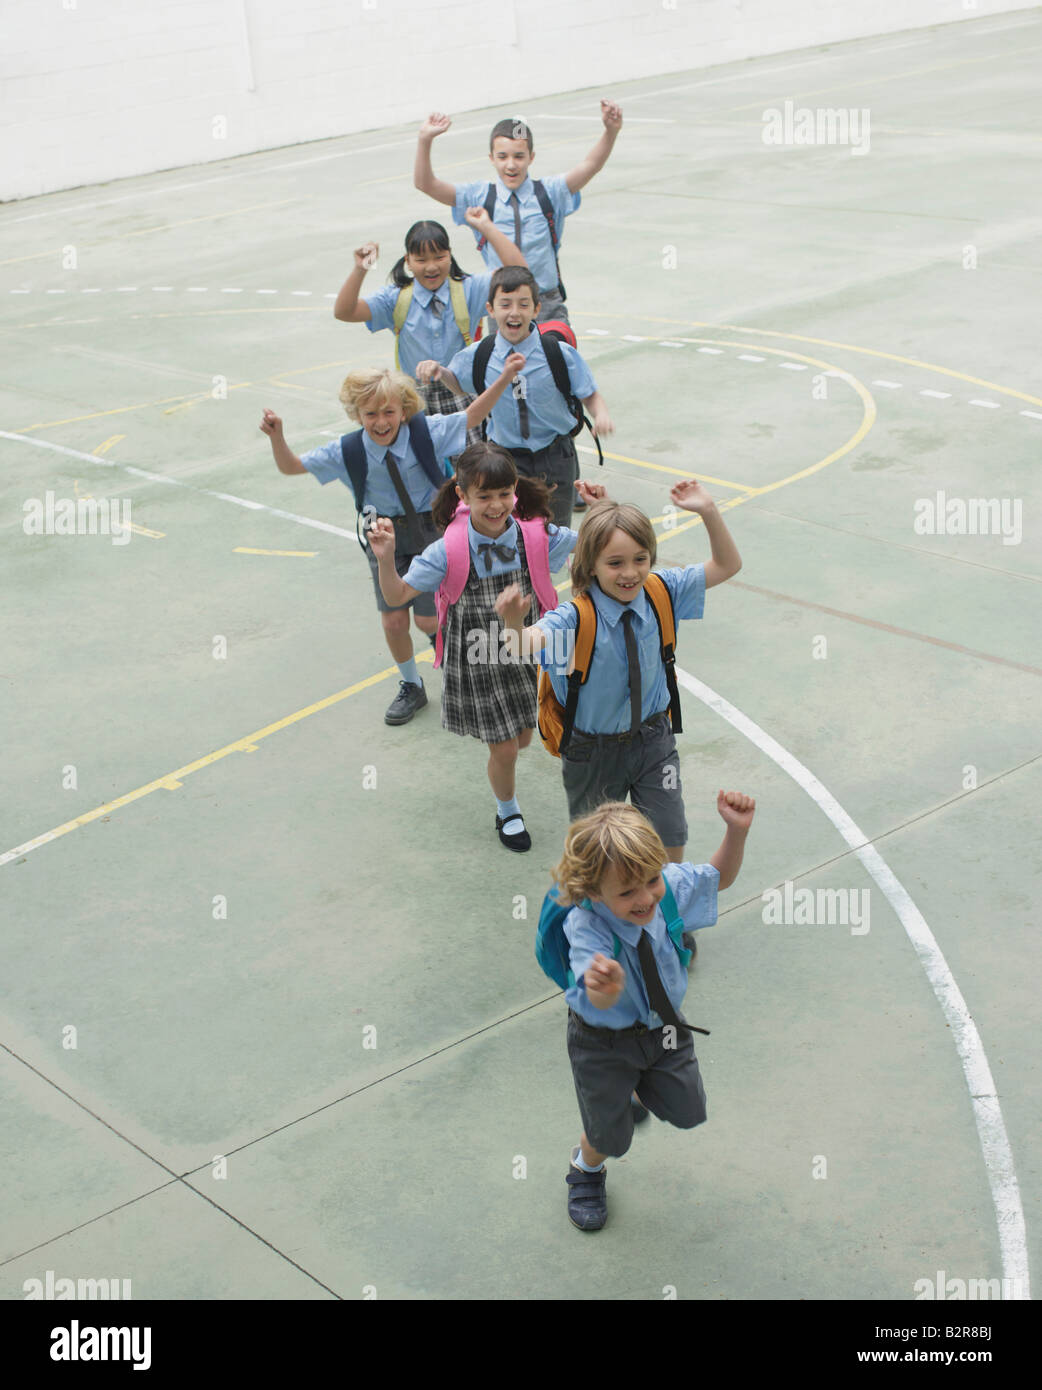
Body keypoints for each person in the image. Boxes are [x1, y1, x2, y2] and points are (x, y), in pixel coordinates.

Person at [368, 441, 607, 851]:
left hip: (529, 647)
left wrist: (600, 507)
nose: (496, 505)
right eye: (484, 496)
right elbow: (397, 595)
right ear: (462, 496)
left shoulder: (535, 537)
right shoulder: (449, 549)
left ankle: (507, 782)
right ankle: (508, 811)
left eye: (503, 494)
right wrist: (387, 558)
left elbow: (599, 541)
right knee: (508, 747)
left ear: (514, 489)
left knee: (526, 735)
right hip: (479, 655)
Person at [259, 361, 523, 726]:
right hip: (384, 537)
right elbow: (292, 466)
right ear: (356, 414)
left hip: (432, 530)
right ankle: (412, 685)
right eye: (370, 414)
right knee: (394, 622)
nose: (381, 422)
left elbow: (471, 414)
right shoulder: (347, 450)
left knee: (429, 619)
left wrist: (506, 378)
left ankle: (448, 654)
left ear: (404, 409)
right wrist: (277, 437)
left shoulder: (424, 432)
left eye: (389, 412)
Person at [494, 483, 742, 859]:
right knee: (596, 857)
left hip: (654, 742)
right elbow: (520, 645)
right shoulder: (575, 618)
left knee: (669, 841)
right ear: (590, 563)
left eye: (641, 559)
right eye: (615, 563)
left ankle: (662, 915)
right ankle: (598, 917)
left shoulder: (662, 591)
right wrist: (512, 621)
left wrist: (708, 510)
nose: (630, 573)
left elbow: (727, 565)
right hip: (592, 752)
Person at [551, 793, 756, 1231]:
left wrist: (736, 831)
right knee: (612, 1137)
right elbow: (595, 998)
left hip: (663, 1028)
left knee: (688, 1109)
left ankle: (634, 1093)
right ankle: (585, 1169)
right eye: (627, 892)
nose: (645, 898)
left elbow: (716, 877)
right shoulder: (586, 924)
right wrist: (603, 985)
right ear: (592, 891)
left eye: (651, 880)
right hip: (604, 1042)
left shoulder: (659, 887)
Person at [419, 266, 613, 530]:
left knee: (555, 531)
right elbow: (460, 385)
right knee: (511, 530)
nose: (514, 312)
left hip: (555, 454)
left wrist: (600, 414)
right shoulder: (480, 354)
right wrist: (441, 372)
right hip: (506, 458)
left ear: (536, 309)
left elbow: (588, 393)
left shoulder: (558, 353)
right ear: (490, 309)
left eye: (523, 304)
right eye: (505, 304)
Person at [413, 103, 623, 324]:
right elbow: (425, 184)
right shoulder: (479, 196)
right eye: (502, 157)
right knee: (505, 360)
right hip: (502, 304)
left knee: (557, 358)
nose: (511, 165)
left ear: (531, 157)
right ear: (491, 158)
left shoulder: (550, 193)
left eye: (519, 156)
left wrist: (610, 132)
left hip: (546, 304)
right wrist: (425, 139)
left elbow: (590, 165)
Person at [332, 215, 526, 436]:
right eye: (421, 260)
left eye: (439, 257)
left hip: (463, 393)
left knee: (472, 466)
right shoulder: (395, 299)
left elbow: (520, 273)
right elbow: (344, 311)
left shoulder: (469, 289)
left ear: (450, 256)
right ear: (408, 261)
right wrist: (361, 268)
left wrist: (486, 226)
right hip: (414, 401)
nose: (431, 267)